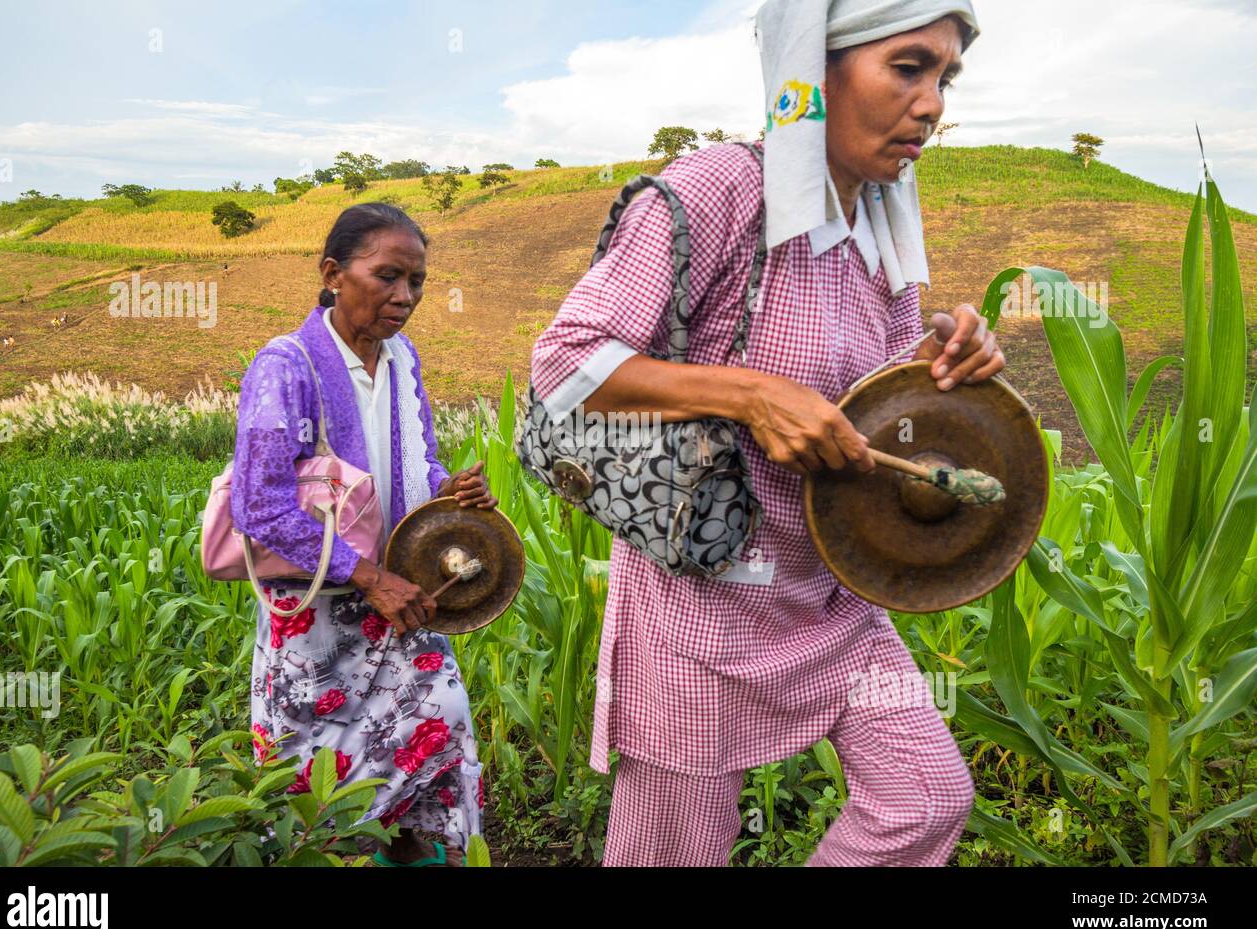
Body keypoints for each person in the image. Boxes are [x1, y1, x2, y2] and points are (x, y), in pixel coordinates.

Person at [530, 0, 1000, 867]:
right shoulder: (719, 192)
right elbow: (563, 368)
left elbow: (875, 414)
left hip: (833, 595)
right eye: (908, 67)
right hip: (702, 606)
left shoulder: (884, 238)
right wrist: (749, 395)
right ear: (814, 69)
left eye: (946, 77)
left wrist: (946, 369)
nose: (933, 102)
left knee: (927, 796)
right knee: (676, 853)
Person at [232, 202, 497, 867]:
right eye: (387, 276)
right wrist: (368, 577)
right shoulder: (286, 366)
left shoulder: (403, 360)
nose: (404, 297)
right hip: (320, 609)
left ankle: (411, 855)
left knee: (440, 727)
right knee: (309, 778)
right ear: (332, 274)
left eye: (416, 281)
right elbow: (259, 506)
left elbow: (421, 462)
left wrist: (449, 492)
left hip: (402, 597)